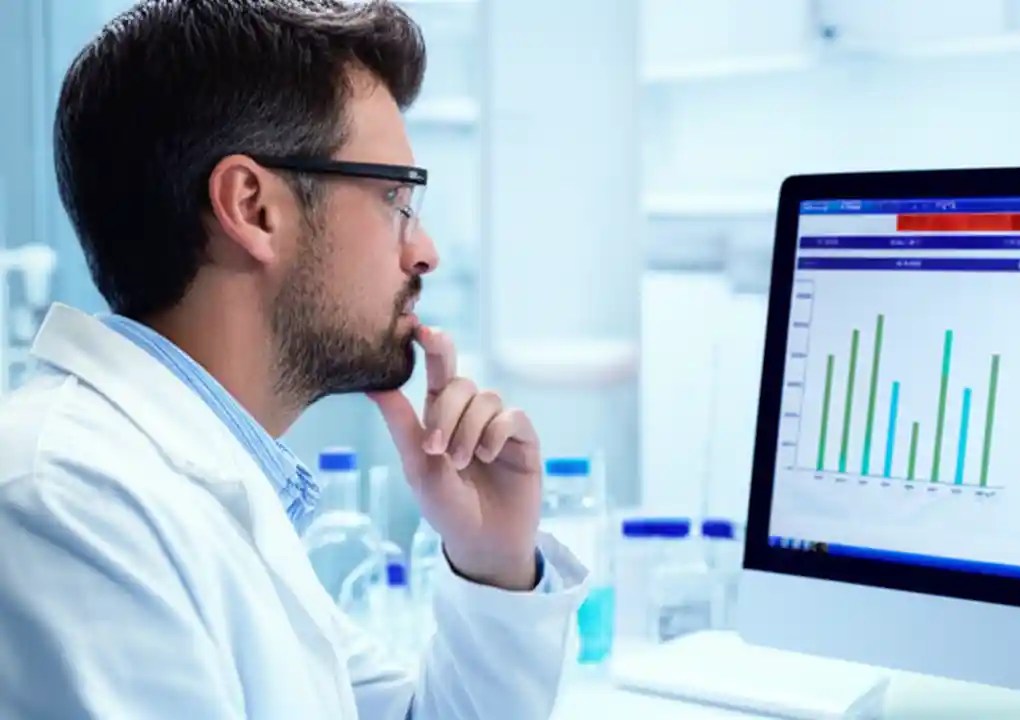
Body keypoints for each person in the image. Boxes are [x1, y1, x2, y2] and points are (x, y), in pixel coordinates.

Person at [0, 1, 588, 718]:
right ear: (252, 208)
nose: (424, 250)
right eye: (395, 196)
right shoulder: (71, 505)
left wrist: (494, 560)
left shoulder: (215, 487)